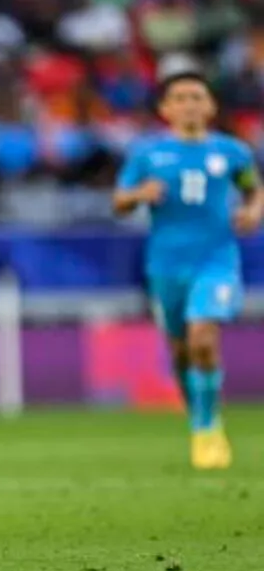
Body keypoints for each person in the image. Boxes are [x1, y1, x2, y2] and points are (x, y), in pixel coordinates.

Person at [112, 71, 263, 470]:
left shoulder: (232, 153)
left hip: (216, 260)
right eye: (180, 98)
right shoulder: (148, 154)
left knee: (203, 337)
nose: (189, 105)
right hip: (165, 266)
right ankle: (198, 415)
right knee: (181, 351)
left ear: (211, 106)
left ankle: (208, 427)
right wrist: (139, 194)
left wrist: (253, 211)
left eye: (197, 96)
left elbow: (253, 188)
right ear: (165, 109)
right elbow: (119, 201)